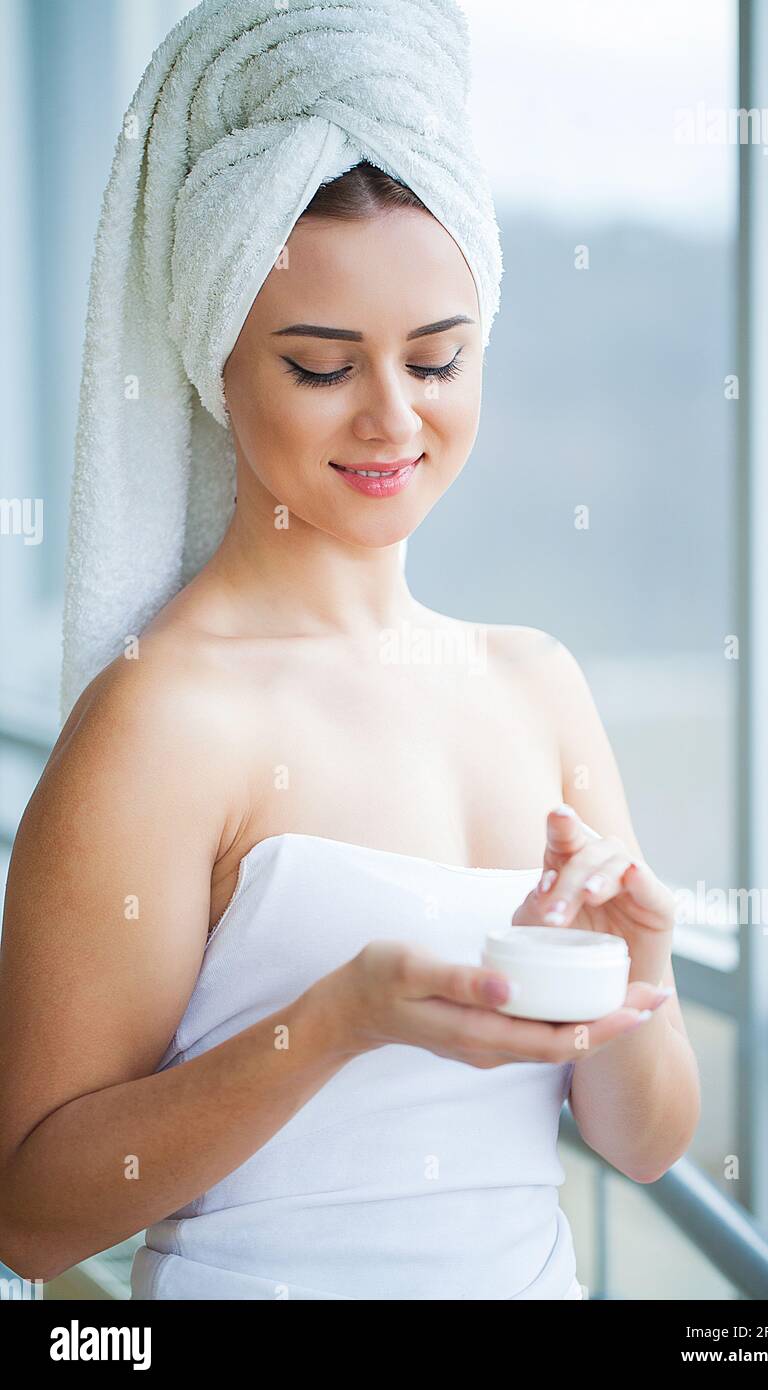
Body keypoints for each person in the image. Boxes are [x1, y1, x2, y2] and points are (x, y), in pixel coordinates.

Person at [0, 3, 700, 1302]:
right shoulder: (163, 714)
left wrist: (638, 967)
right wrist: (333, 1021)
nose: (392, 417)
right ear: (218, 362)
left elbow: (643, 1141)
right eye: (320, 365)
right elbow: (31, 1216)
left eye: (437, 358)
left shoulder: (534, 682)